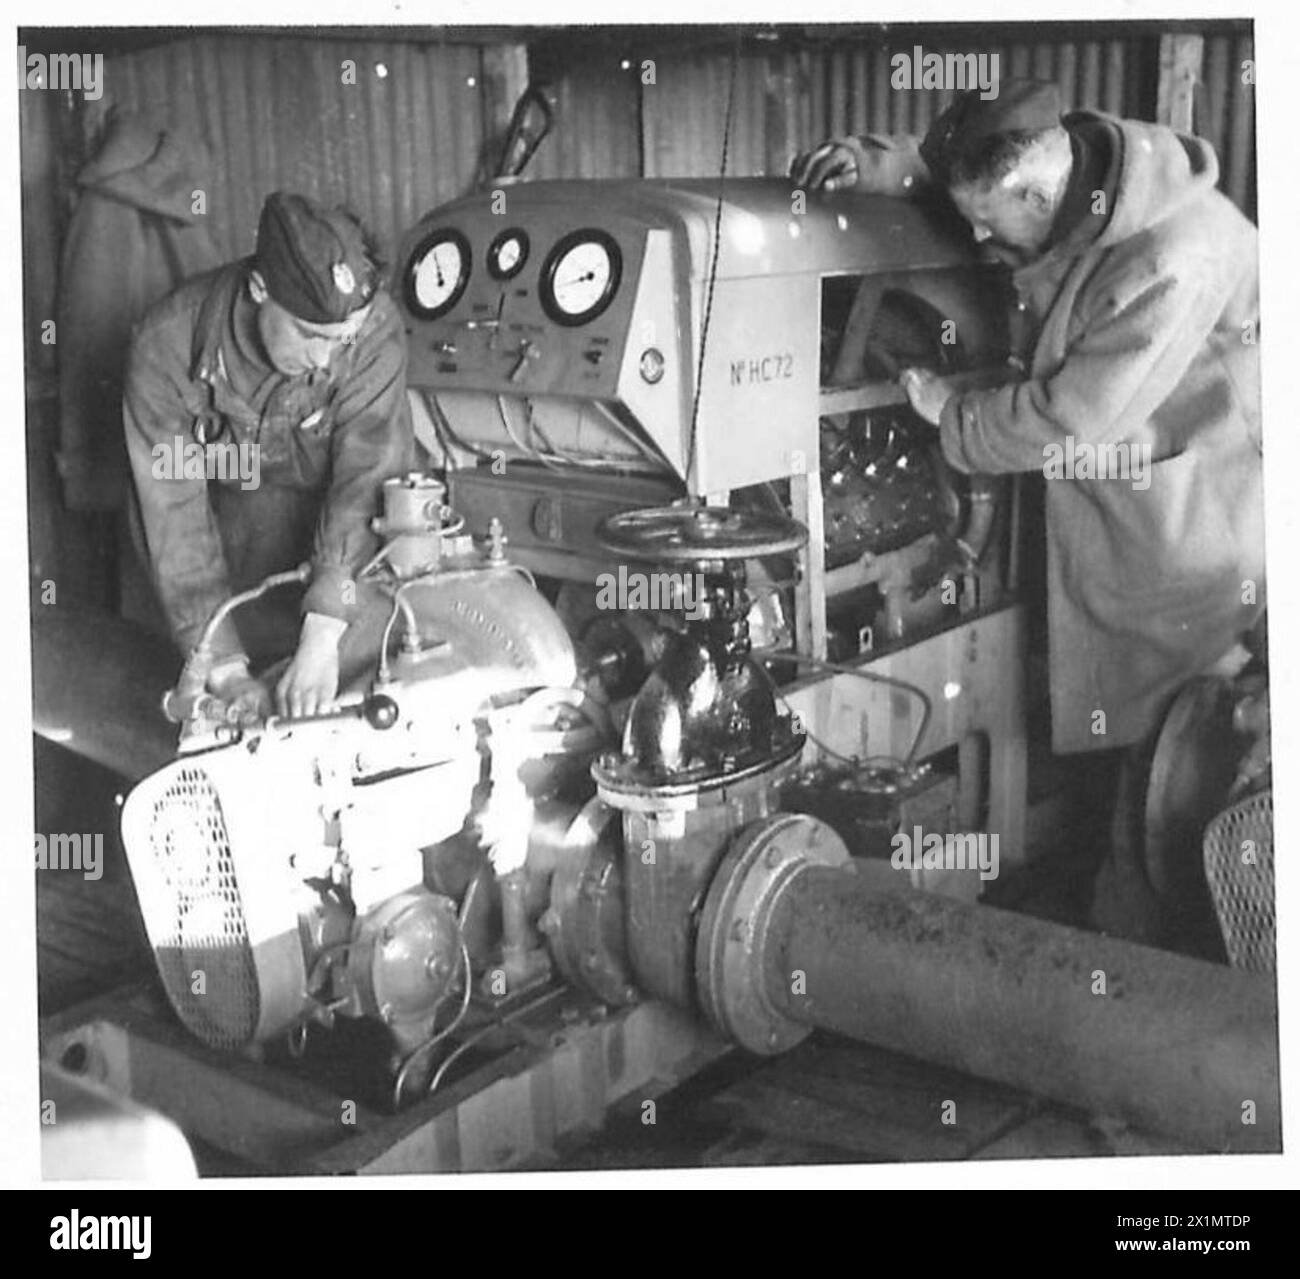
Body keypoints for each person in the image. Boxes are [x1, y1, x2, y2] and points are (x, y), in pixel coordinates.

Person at [793, 81, 1265, 947]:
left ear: (1037, 195)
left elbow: (1070, 419)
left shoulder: (1169, 258)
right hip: (1114, 458)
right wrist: (873, 163)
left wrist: (953, 417)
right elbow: (958, 174)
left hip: (1190, 494)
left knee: (1158, 724)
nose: (974, 239)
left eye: (988, 223)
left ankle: (1133, 957)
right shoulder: (1064, 162)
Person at [124, 191, 414, 721]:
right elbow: (173, 517)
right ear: (260, 288)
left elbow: (368, 475)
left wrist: (324, 632)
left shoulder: (372, 330)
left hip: (335, 548)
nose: (326, 358)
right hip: (224, 554)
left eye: (342, 339)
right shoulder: (167, 347)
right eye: (310, 335)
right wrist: (226, 671)